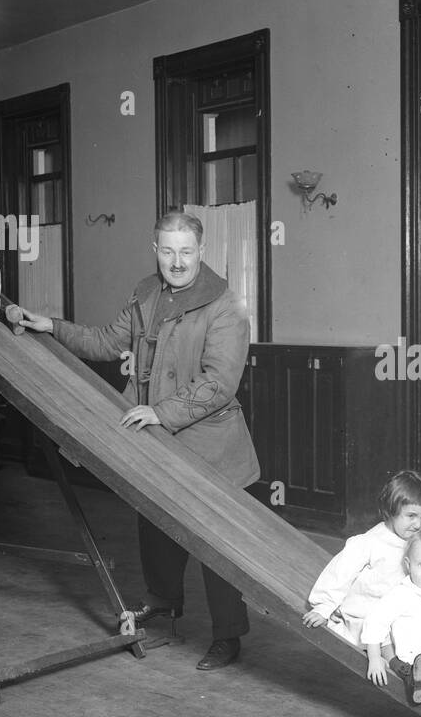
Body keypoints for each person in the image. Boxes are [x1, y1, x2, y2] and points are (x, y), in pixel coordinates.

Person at [18, 210, 260, 671]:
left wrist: (160, 411)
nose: (177, 261)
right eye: (167, 251)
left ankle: (228, 635)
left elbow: (220, 383)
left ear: (201, 251)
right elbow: (109, 342)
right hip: (154, 440)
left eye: (186, 251)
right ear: (155, 250)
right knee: (154, 524)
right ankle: (165, 603)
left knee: (218, 549)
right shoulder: (147, 292)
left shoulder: (226, 304)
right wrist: (53, 326)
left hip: (211, 446)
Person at [303, 471, 421, 645]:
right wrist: (324, 607)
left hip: (399, 612)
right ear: (390, 511)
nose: (418, 524)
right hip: (366, 615)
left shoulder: (417, 539)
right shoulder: (370, 543)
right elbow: (339, 574)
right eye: (411, 516)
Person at [361, 525, 421, 701]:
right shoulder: (401, 594)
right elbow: (376, 622)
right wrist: (374, 657)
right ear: (408, 564)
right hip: (414, 658)